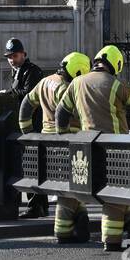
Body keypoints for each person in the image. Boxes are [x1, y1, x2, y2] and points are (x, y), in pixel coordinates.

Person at [56, 45, 130, 252]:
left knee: (94, 190)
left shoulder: (76, 83)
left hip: (87, 147)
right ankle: (111, 240)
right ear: (116, 64)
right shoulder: (114, 84)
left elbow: (61, 111)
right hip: (116, 149)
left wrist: (64, 135)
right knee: (115, 193)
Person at [21, 52, 92, 243]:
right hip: (67, 141)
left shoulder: (45, 81)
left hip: (47, 142)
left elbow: (26, 104)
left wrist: (27, 133)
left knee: (69, 185)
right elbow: (68, 112)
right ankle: (63, 229)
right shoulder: (66, 87)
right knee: (72, 184)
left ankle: (79, 217)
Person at [5, 37, 47, 216]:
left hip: (33, 126)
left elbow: (30, 96)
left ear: (24, 54)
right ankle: (41, 206)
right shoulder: (17, 71)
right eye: (9, 56)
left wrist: (9, 93)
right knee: (32, 166)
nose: (11, 59)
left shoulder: (32, 71)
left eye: (14, 55)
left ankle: (35, 207)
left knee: (32, 167)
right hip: (25, 126)